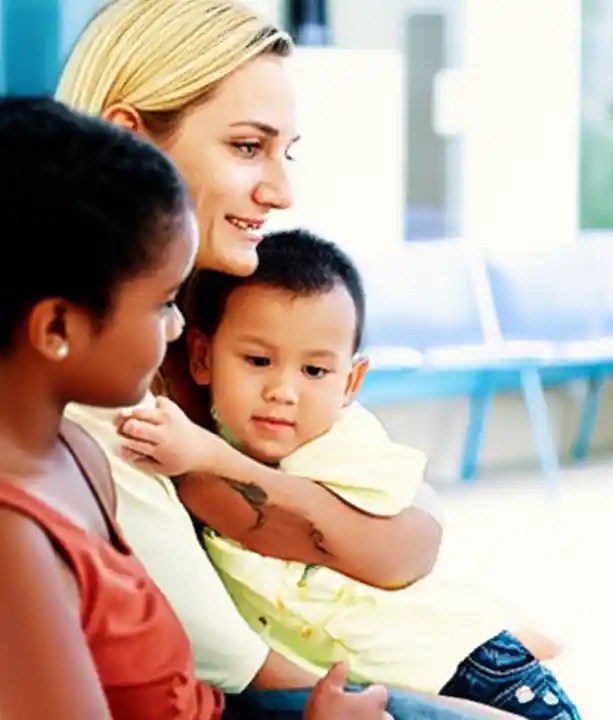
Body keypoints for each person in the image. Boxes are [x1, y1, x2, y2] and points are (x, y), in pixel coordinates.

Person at [56, 2, 496, 717]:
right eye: (247, 147)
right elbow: (230, 659)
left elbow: (412, 528)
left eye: (285, 152)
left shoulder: (242, 308)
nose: (282, 192)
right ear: (126, 141)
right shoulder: (92, 381)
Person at [0, 96, 391, 720]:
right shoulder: (15, 543)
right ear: (56, 328)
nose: (179, 328)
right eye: (161, 304)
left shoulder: (74, 455)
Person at [116, 229, 580, 720]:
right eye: (257, 361)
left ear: (350, 383)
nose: (283, 391)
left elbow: (357, 533)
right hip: (377, 691)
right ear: (202, 357)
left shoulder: (341, 439)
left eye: (314, 372)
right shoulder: (209, 444)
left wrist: (206, 457)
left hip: (468, 670)